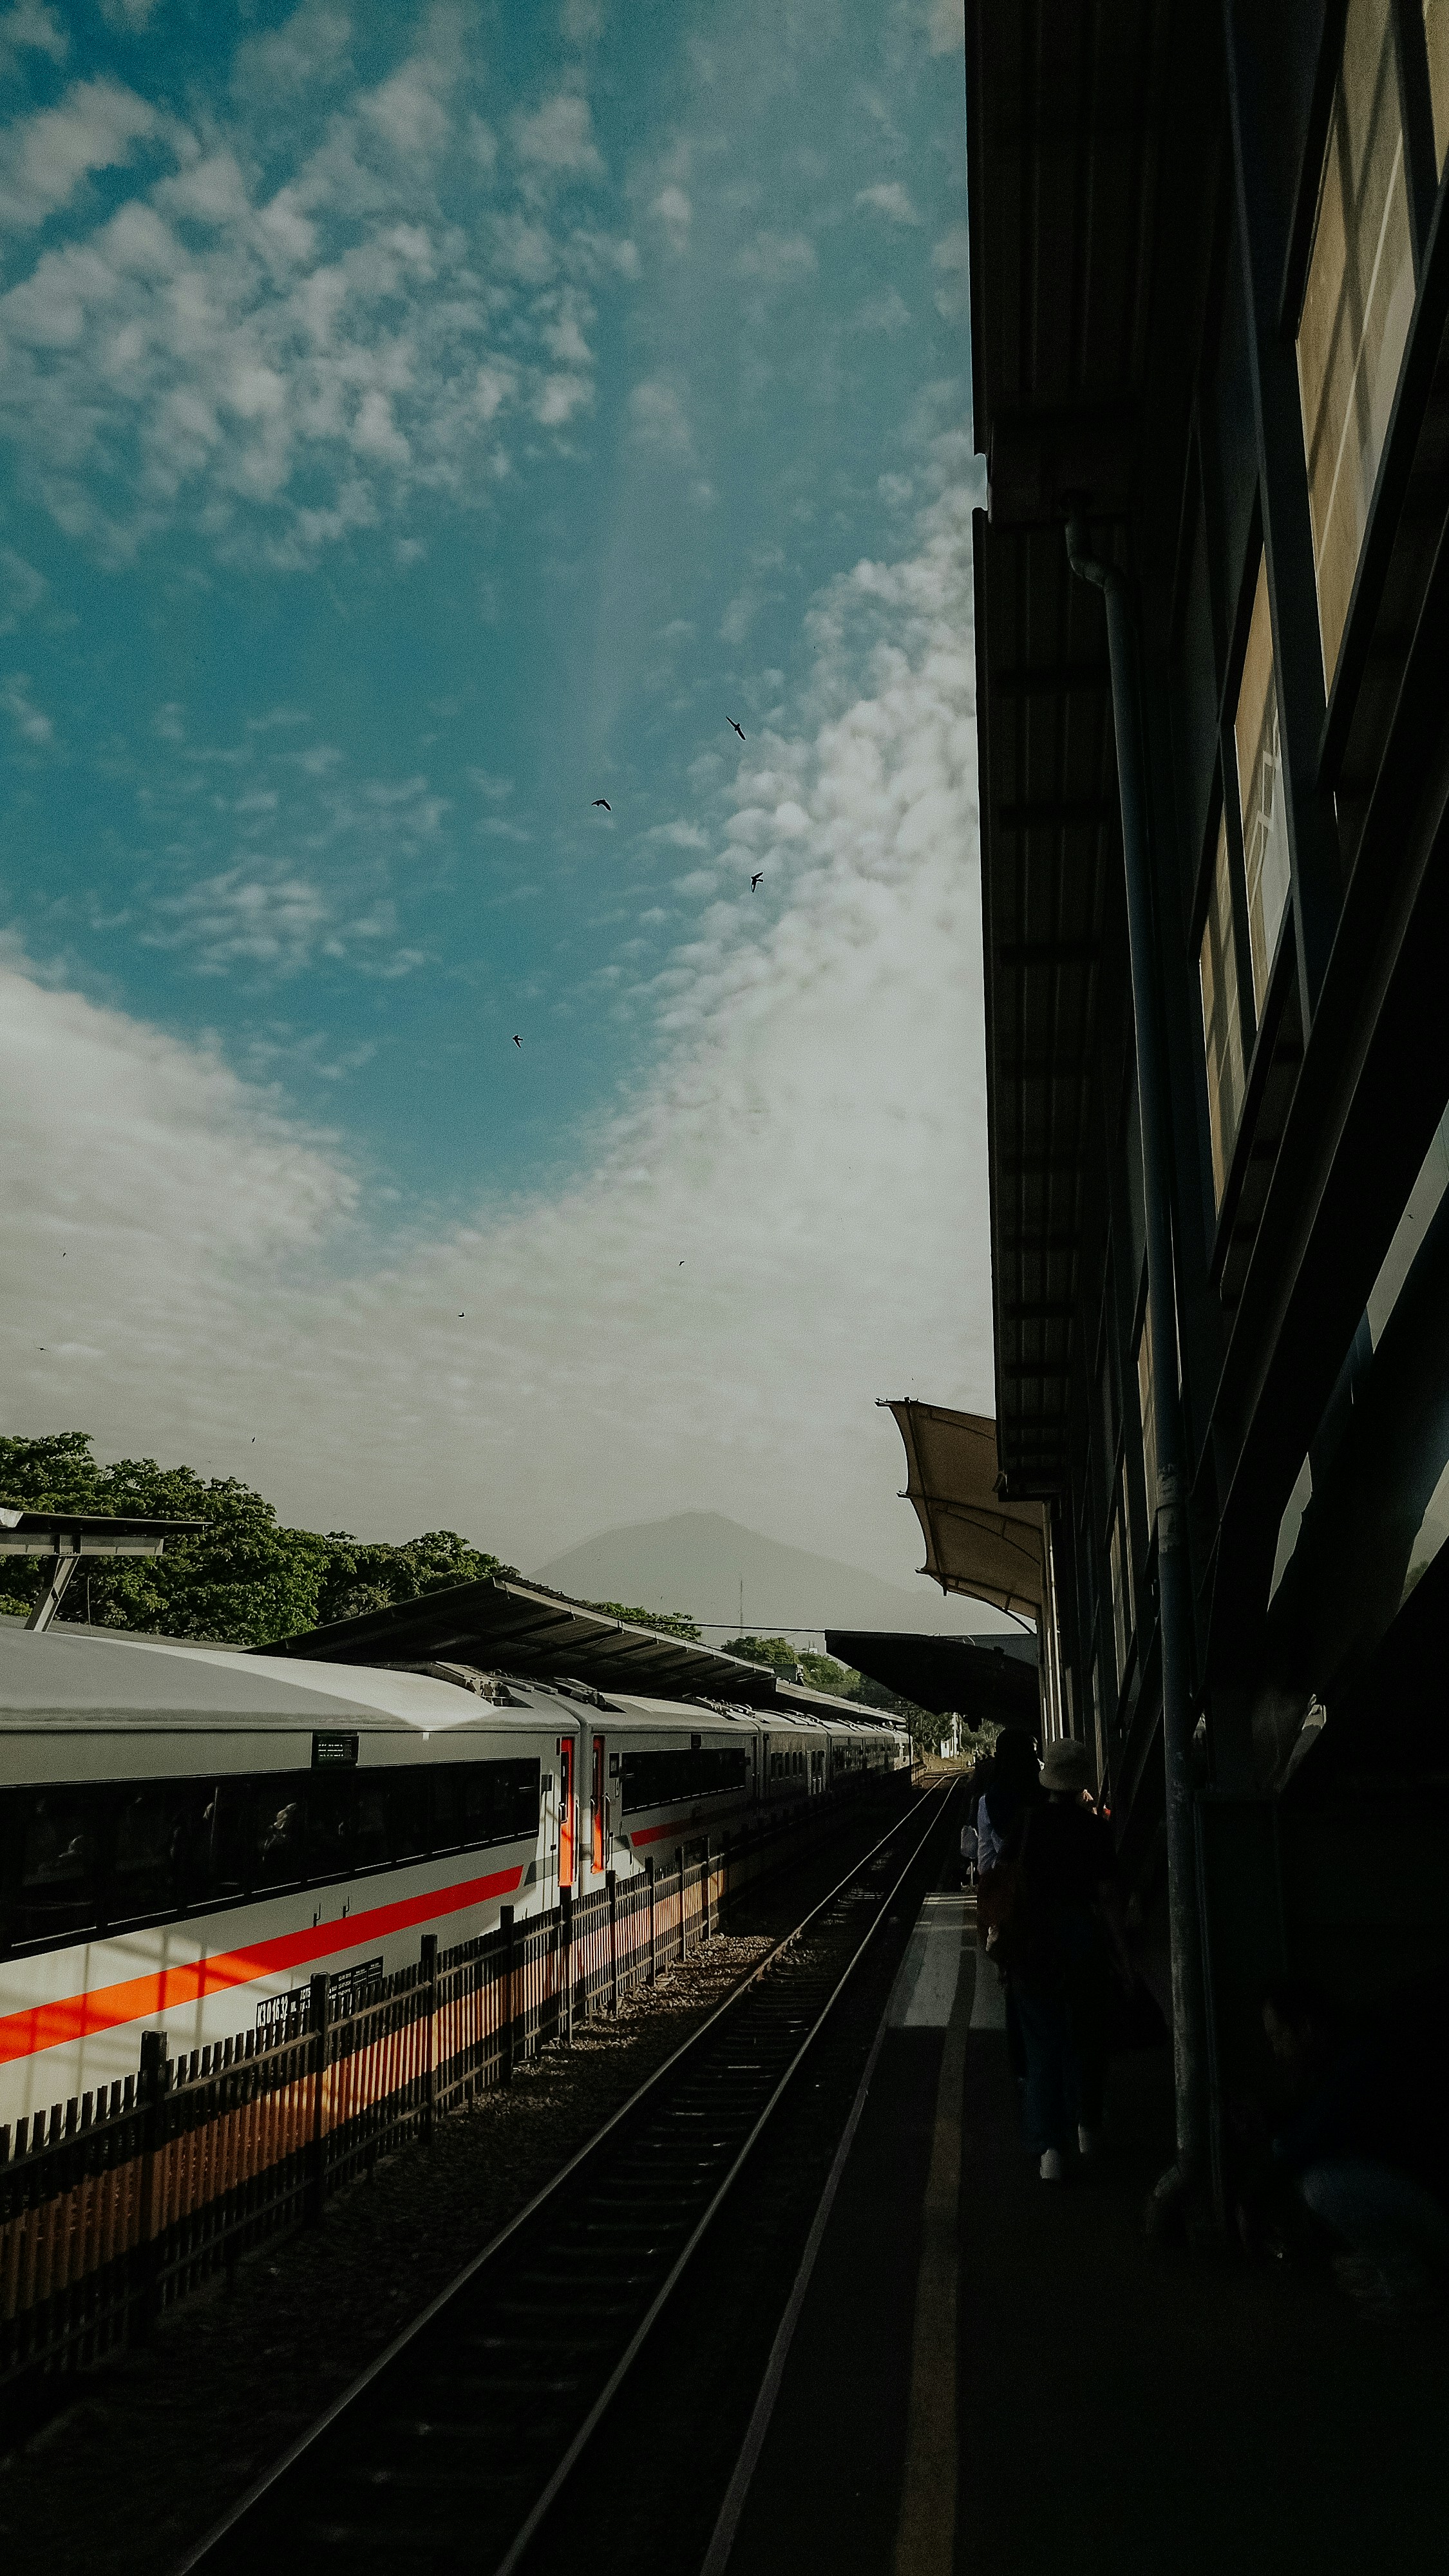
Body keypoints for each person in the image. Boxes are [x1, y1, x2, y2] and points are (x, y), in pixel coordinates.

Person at [982, 1736, 1128, 2183]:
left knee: (1043, 2042)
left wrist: (999, 1944)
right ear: (1082, 1782)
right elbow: (1107, 1900)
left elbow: (998, 1882)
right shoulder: (1096, 1830)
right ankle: (1088, 2130)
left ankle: (1049, 2152)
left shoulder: (1027, 1826)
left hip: (1034, 1943)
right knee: (1086, 2036)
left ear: (1047, 1779)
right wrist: (1121, 1957)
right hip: (1083, 1939)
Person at [1258, 1978, 1449, 2316]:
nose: (1275, 2050)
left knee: (1322, 2186)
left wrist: (1254, 2186)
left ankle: (1409, 2288)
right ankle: (1402, 2269)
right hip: (1425, 2194)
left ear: (1304, 2028)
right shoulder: (1349, 2050)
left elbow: (1312, 2136)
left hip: (1435, 2200)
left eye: (1279, 2036)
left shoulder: (1361, 2057)